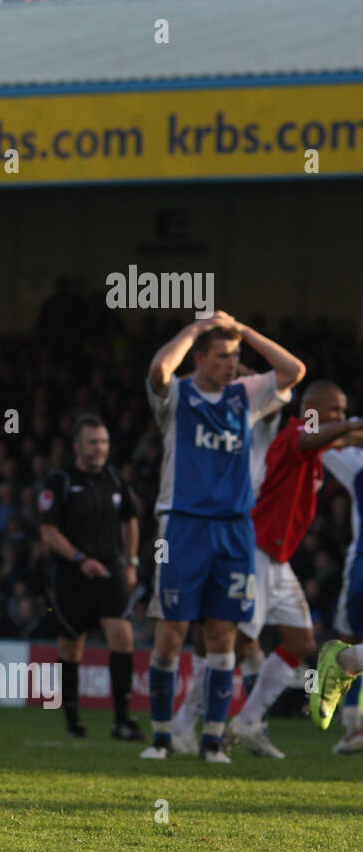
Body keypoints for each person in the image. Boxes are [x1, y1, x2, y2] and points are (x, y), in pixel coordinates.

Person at [140, 312, 304, 761]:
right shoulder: (177, 397)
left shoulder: (245, 396)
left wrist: (246, 331)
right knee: (172, 632)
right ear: (200, 358)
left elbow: (294, 372)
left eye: (235, 356)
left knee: (222, 634)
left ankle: (212, 740)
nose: (232, 364)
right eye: (222, 356)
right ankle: (161, 737)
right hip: (183, 524)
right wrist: (195, 328)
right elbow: (158, 370)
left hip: (234, 529)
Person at [222, 383, 363, 756]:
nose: (340, 415)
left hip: (278, 559)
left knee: (301, 643)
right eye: (334, 408)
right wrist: (353, 423)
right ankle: (194, 726)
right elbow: (321, 434)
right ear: (312, 409)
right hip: (257, 551)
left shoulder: (316, 443)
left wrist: (353, 430)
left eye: (343, 408)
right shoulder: (296, 435)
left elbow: (347, 440)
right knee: (234, 643)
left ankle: (248, 722)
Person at [38, 414, 142, 740]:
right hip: (71, 574)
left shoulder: (115, 479)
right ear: (78, 446)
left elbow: (131, 520)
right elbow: (48, 531)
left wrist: (131, 562)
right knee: (71, 648)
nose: (100, 449)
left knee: (123, 638)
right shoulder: (61, 481)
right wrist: (80, 559)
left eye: (104, 442)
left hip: (110, 570)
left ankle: (122, 721)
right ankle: (72, 721)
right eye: (93, 443)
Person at [307, 414, 363, 739]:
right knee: (349, 633)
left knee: (353, 641)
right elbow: (318, 440)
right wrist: (349, 430)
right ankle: (353, 726)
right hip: (360, 563)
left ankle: (348, 660)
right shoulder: (356, 464)